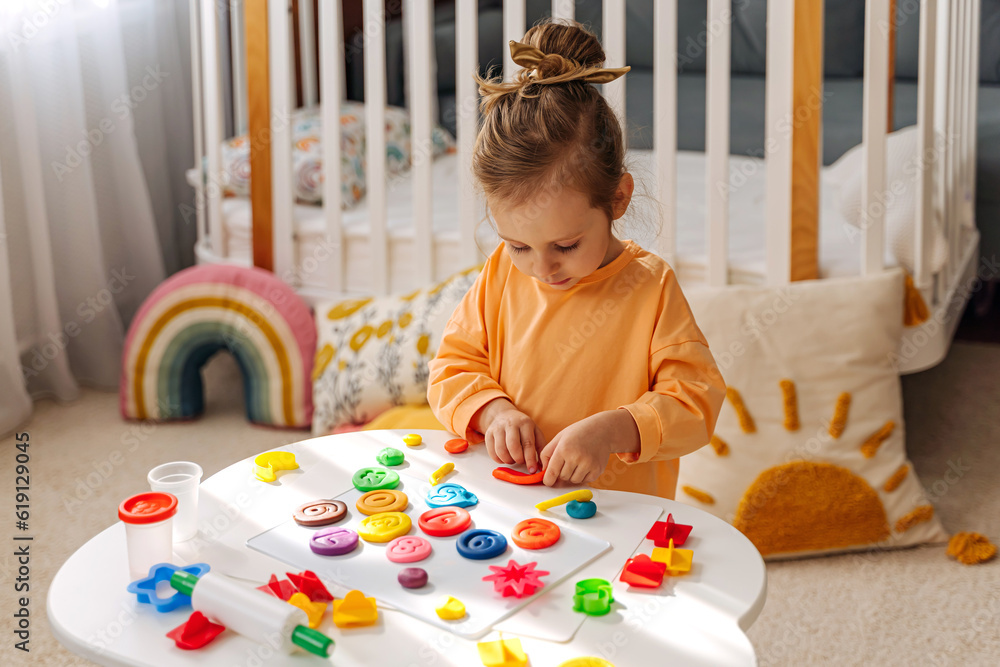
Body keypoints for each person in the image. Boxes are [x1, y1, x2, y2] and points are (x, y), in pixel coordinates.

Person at [427, 20, 725, 498]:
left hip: (619, 513)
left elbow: (696, 403)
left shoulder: (651, 287)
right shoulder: (501, 273)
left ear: (618, 198)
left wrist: (614, 430)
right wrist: (493, 411)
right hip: (512, 504)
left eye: (565, 246)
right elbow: (452, 367)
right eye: (519, 245)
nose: (542, 269)